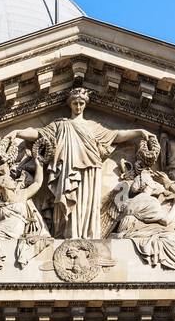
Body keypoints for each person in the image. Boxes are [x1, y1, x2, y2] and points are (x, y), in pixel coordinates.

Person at [14, 87, 155, 239]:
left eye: (81, 103)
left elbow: (116, 135)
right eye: (75, 103)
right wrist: (16, 132)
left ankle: (87, 234)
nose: (78, 106)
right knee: (66, 202)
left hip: (90, 169)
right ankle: (67, 234)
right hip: (67, 169)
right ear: (70, 104)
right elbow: (38, 133)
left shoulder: (92, 126)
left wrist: (139, 131)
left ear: (85, 104)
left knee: (86, 203)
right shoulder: (60, 125)